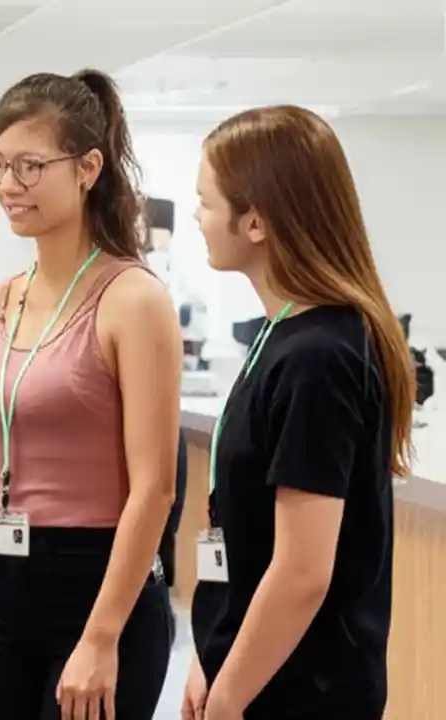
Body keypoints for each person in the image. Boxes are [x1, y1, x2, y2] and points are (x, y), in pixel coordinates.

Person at [0, 69, 181, 720]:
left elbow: (154, 489)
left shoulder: (133, 300)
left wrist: (100, 638)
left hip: (96, 586)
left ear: (88, 168)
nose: (8, 185)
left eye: (31, 166)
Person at [183, 105, 413, 720]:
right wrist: (213, 655)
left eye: (205, 203)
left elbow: (302, 571)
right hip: (260, 670)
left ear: (255, 220)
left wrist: (229, 696)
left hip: (303, 691)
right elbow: (252, 541)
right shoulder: (281, 333)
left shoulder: (319, 355)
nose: (198, 219)